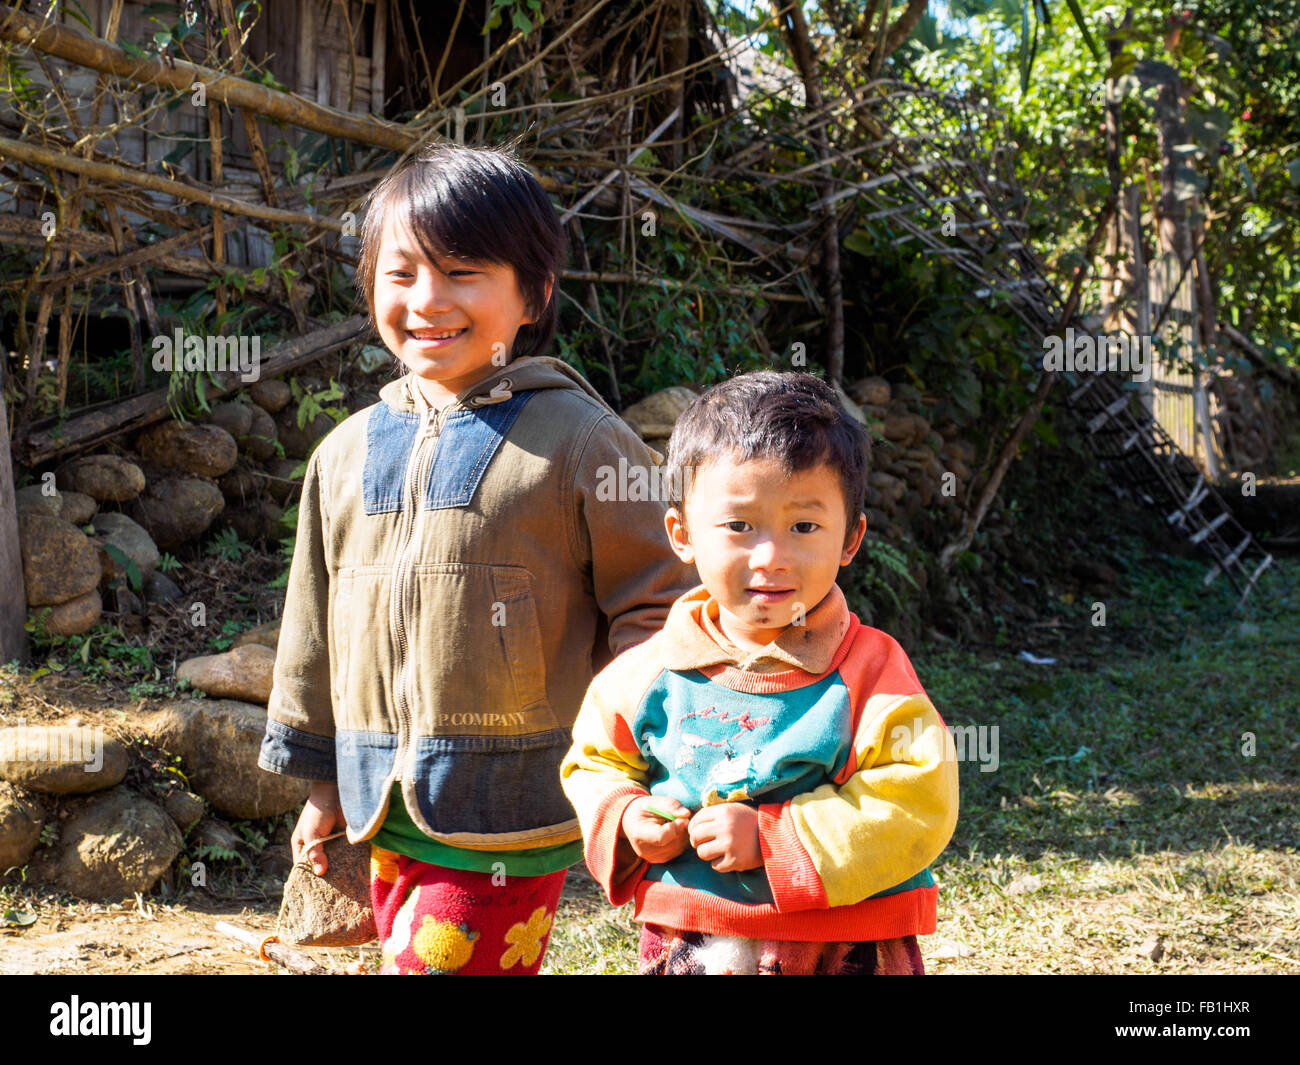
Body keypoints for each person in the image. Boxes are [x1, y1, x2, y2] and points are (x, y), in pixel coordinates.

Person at [258, 142, 697, 975]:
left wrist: (644, 764)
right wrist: (322, 788)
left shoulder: (581, 441)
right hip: (375, 798)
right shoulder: (343, 454)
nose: (428, 300)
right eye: (402, 273)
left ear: (533, 294)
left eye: (463, 273)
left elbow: (662, 608)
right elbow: (315, 630)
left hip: (513, 802)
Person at [561, 371, 960, 975]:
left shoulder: (871, 673)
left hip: (845, 941)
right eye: (739, 526)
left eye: (804, 526)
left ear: (850, 539)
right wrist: (625, 815)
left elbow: (917, 793)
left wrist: (776, 838)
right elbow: (594, 762)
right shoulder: (649, 673)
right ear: (682, 534)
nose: (770, 557)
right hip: (693, 934)